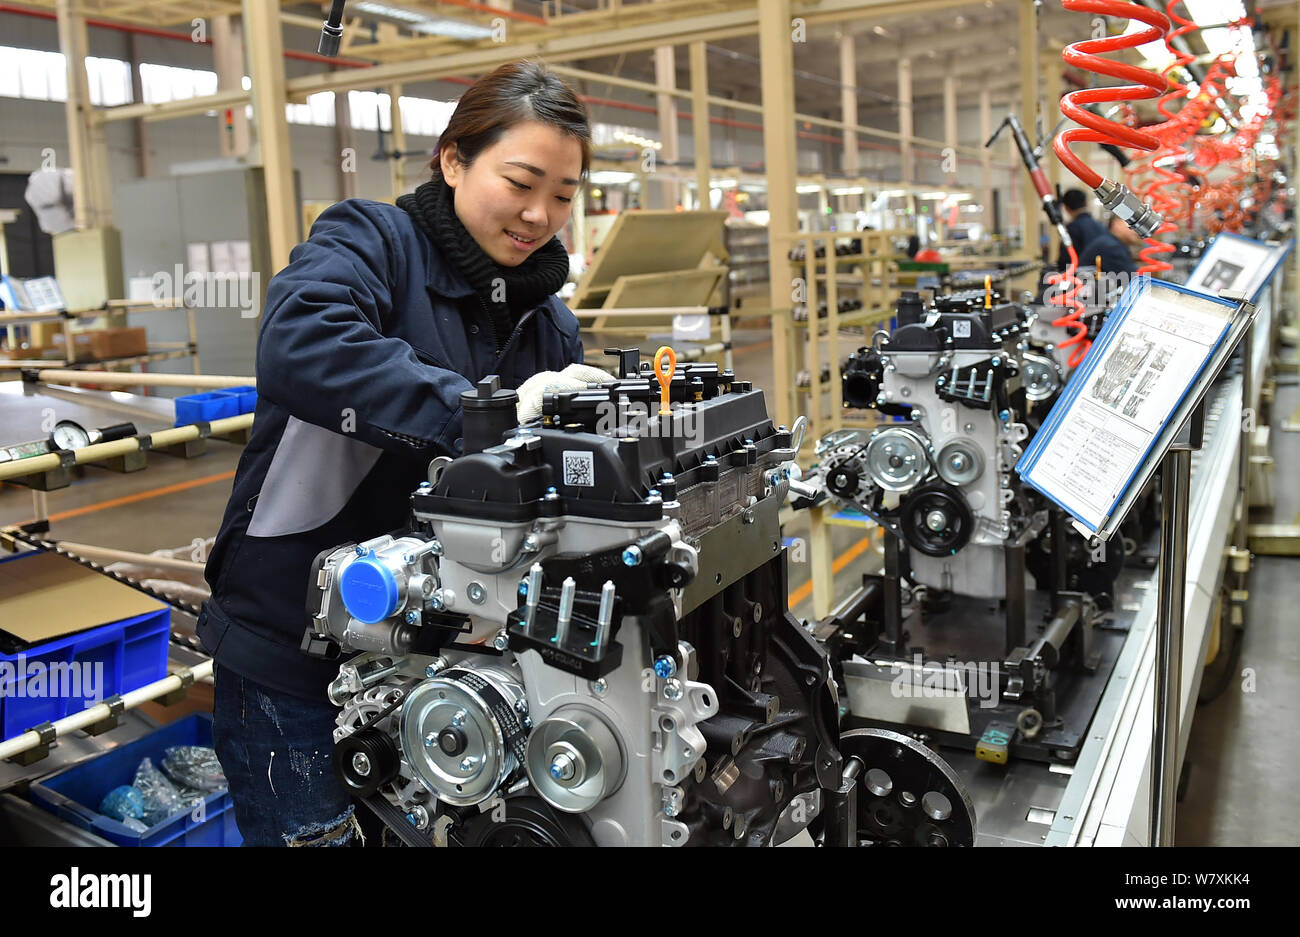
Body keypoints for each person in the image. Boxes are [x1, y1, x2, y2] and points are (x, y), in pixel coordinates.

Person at [197, 60, 608, 846]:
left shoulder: (548, 321)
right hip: (299, 664)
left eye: (563, 193)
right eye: (520, 181)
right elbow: (301, 341)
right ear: (454, 159)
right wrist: (479, 414)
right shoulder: (372, 242)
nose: (539, 213)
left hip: (442, 673)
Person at [1076, 211, 1141, 279]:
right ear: (1116, 224)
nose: (1137, 228)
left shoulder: (1109, 242)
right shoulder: (1111, 247)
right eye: (1131, 223)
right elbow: (1136, 277)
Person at [1056, 188, 1104, 270]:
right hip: (1102, 275)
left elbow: (1066, 259)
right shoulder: (1100, 226)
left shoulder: (1071, 229)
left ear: (1066, 208)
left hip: (1079, 277)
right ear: (1086, 203)